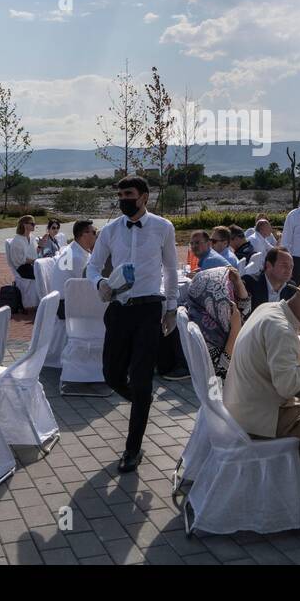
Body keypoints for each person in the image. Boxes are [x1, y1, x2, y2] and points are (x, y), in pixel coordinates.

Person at [221, 272, 300, 529]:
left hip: (242, 401)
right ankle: (297, 498)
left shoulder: (270, 309)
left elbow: (271, 359)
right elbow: (287, 386)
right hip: (258, 416)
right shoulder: (282, 330)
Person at [87, 176, 178, 473]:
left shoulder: (163, 227)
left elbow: (171, 269)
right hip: (119, 309)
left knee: (140, 378)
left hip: (149, 309)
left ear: (144, 197)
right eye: (120, 194)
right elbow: (92, 265)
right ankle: (143, 400)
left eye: (128, 194)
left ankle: (132, 448)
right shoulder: (111, 230)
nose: (123, 198)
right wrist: (99, 282)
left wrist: (172, 308)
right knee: (111, 374)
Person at [183, 265, 251, 379]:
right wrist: (235, 329)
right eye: (227, 294)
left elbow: (245, 309)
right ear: (216, 298)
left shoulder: (207, 314)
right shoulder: (205, 332)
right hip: (233, 388)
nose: (232, 299)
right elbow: (221, 372)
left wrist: (238, 282)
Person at [10, 215, 39, 280]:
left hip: (32, 264)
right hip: (22, 267)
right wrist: (35, 261)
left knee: (47, 271)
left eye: (34, 224)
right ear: (24, 225)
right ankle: (40, 290)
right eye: (32, 224)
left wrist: (40, 246)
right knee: (41, 274)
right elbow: (20, 260)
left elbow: (35, 253)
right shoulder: (17, 240)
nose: (34, 225)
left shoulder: (32, 237)